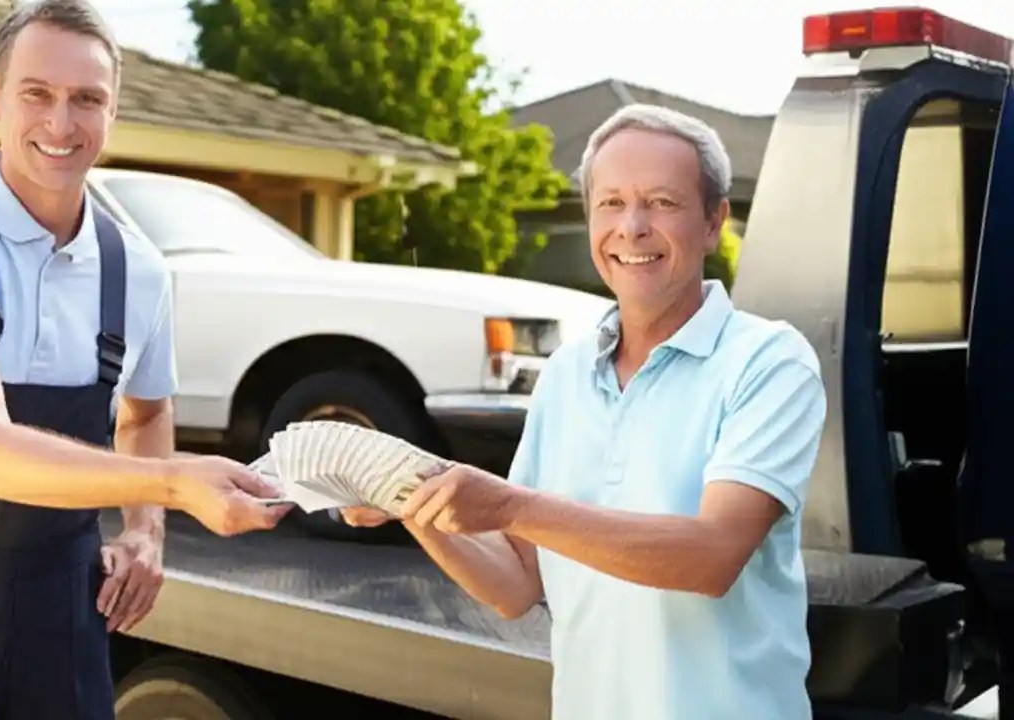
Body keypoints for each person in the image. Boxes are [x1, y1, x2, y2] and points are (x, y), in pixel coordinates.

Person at [0, 1, 291, 718]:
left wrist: (144, 532)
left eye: (87, 99)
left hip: (61, 600)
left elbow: (147, 409)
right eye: (36, 94)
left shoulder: (137, 270)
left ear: (114, 111)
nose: (61, 124)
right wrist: (174, 484)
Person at [343, 104, 828, 720]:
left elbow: (712, 557)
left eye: (662, 202)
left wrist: (509, 506)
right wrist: (409, 498)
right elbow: (518, 583)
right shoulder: (568, 373)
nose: (632, 227)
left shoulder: (769, 361)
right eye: (611, 203)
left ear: (714, 223)